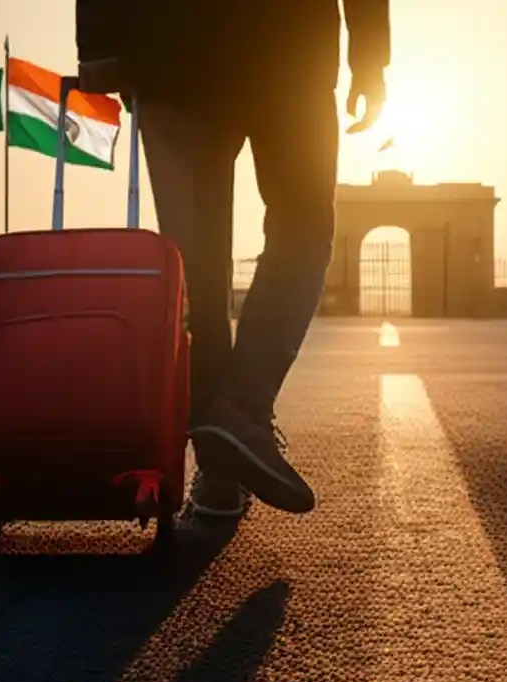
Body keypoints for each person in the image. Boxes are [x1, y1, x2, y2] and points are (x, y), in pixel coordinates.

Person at [79, 2, 390, 523]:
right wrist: (369, 57)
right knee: (303, 227)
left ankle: (221, 464)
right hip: (287, 44)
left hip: (169, 47)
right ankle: (242, 412)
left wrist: (100, 46)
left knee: (194, 264)